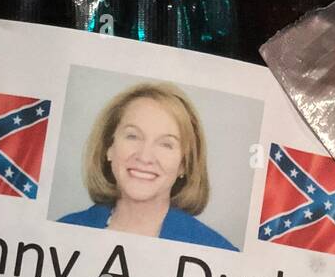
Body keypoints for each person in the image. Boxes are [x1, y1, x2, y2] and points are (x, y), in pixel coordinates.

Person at [58, 82, 238, 251]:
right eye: (133, 136)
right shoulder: (62, 233)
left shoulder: (219, 252)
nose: (145, 157)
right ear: (109, 147)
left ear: (184, 164)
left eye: (166, 144)